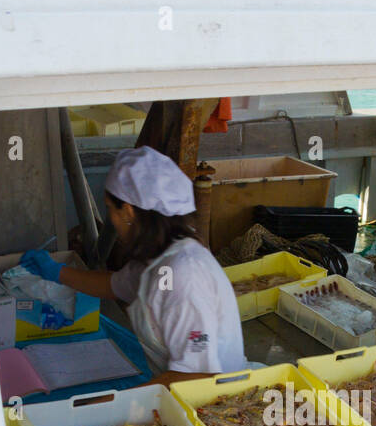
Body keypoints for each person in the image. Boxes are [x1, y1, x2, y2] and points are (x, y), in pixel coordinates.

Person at [20, 146, 246, 383]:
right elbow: (113, 284)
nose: (111, 220)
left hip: (216, 400)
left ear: (128, 211)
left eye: (110, 209)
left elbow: (197, 377)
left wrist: (127, 404)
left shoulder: (183, 275)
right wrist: (56, 272)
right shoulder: (159, 255)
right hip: (176, 389)